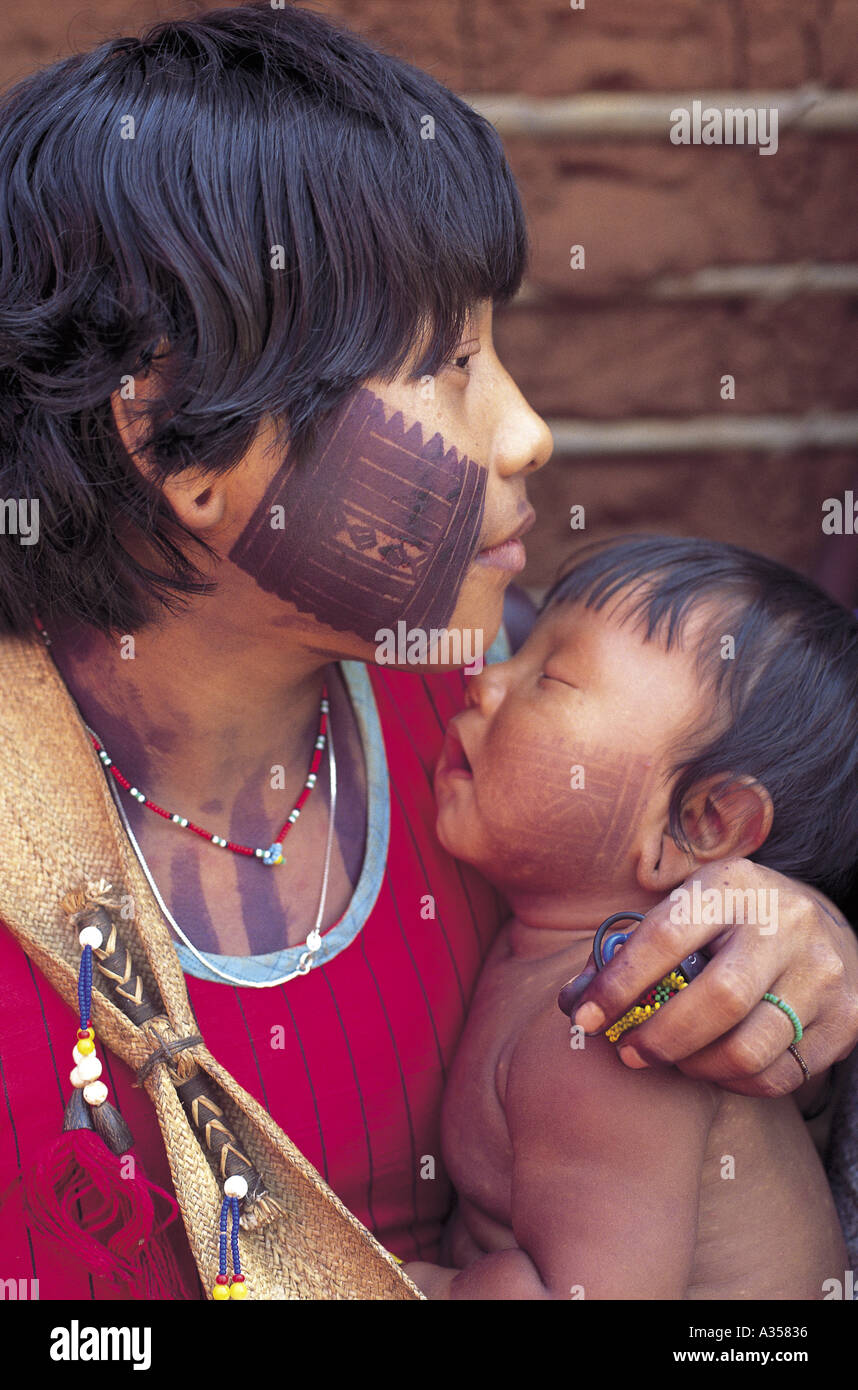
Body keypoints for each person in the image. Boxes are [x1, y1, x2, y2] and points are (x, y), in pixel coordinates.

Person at [0, 4, 856, 1298]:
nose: (526, 433)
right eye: (449, 365)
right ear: (177, 435)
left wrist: (784, 940)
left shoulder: (507, 725)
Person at [405, 536, 856, 1298]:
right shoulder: (533, 947)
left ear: (702, 824)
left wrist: (385, 1282)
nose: (485, 680)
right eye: (521, 648)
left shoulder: (622, 1023)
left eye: (549, 678)